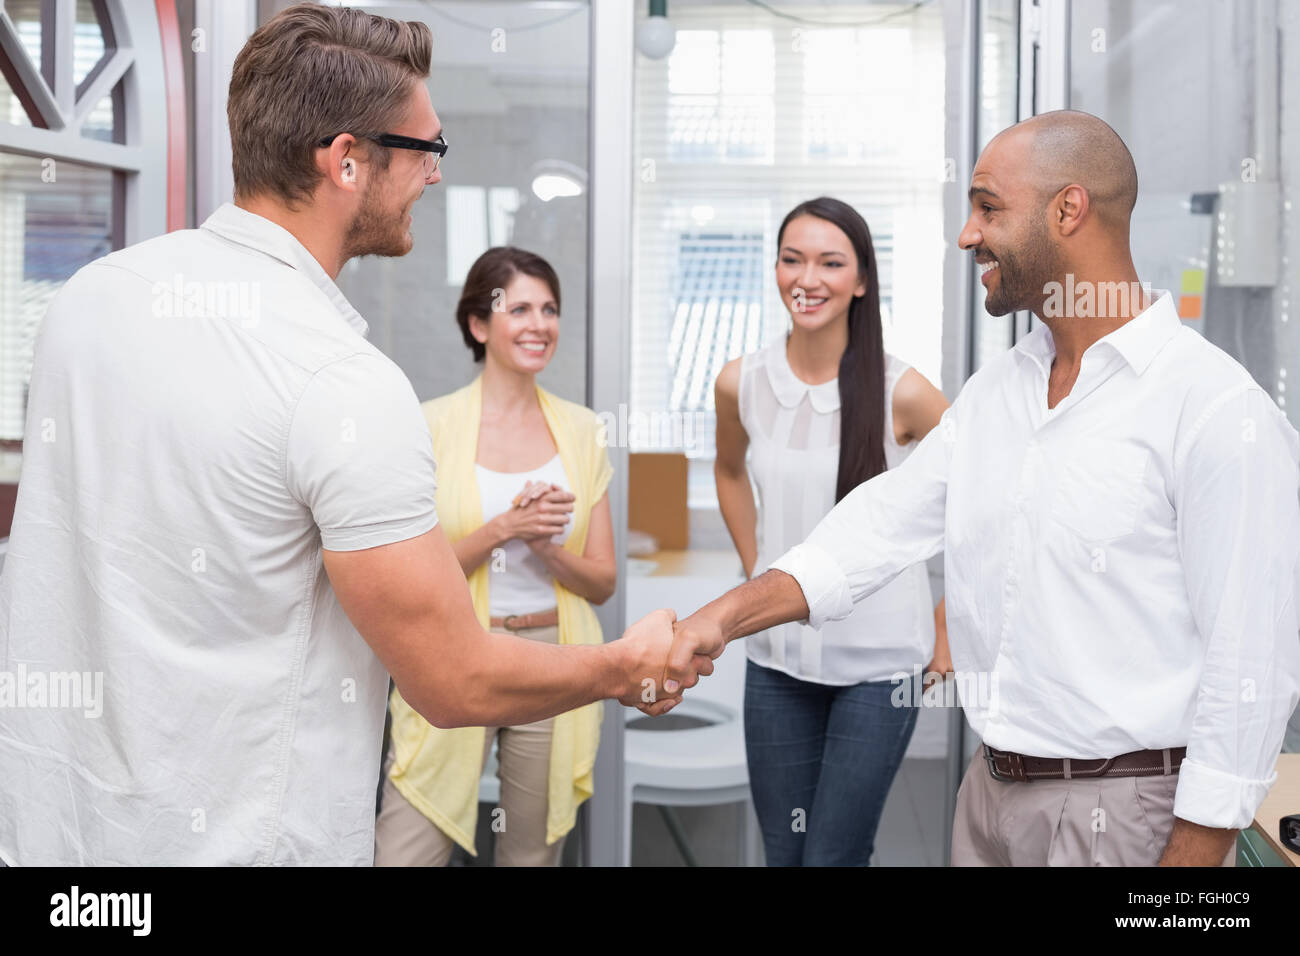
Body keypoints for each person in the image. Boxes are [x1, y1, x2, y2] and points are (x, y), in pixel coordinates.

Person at [0, 2, 703, 867]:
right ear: (344, 162)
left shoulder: (89, 299)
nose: (436, 176)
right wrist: (624, 664)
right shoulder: (344, 383)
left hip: (63, 842)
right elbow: (452, 679)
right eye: (427, 150)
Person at [652, 109, 1300, 867]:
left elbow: (1251, 662)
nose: (967, 235)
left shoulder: (1215, 408)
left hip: (1126, 815)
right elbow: (875, 528)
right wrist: (721, 619)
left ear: (1068, 210)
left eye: (988, 207)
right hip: (989, 797)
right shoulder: (1002, 391)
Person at [713, 197, 950, 865]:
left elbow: (982, 502)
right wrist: (757, 565)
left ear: (863, 280)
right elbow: (728, 471)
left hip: (879, 667)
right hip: (776, 659)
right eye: (792, 259)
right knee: (785, 854)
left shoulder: (904, 392)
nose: (806, 278)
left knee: (832, 857)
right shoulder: (741, 383)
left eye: (830, 262)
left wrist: (950, 622)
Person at [375, 247, 613, 866]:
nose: (540, 324)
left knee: (529, 855)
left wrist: (544, 546)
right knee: (407, 848)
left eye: (551, 309)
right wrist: (504, 527)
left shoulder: (582, 431)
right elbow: (410, 577)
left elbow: (603, 581)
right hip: (454, 656)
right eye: (520, 308)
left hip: (548, 662)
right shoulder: (429, 427)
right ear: (480, 325)